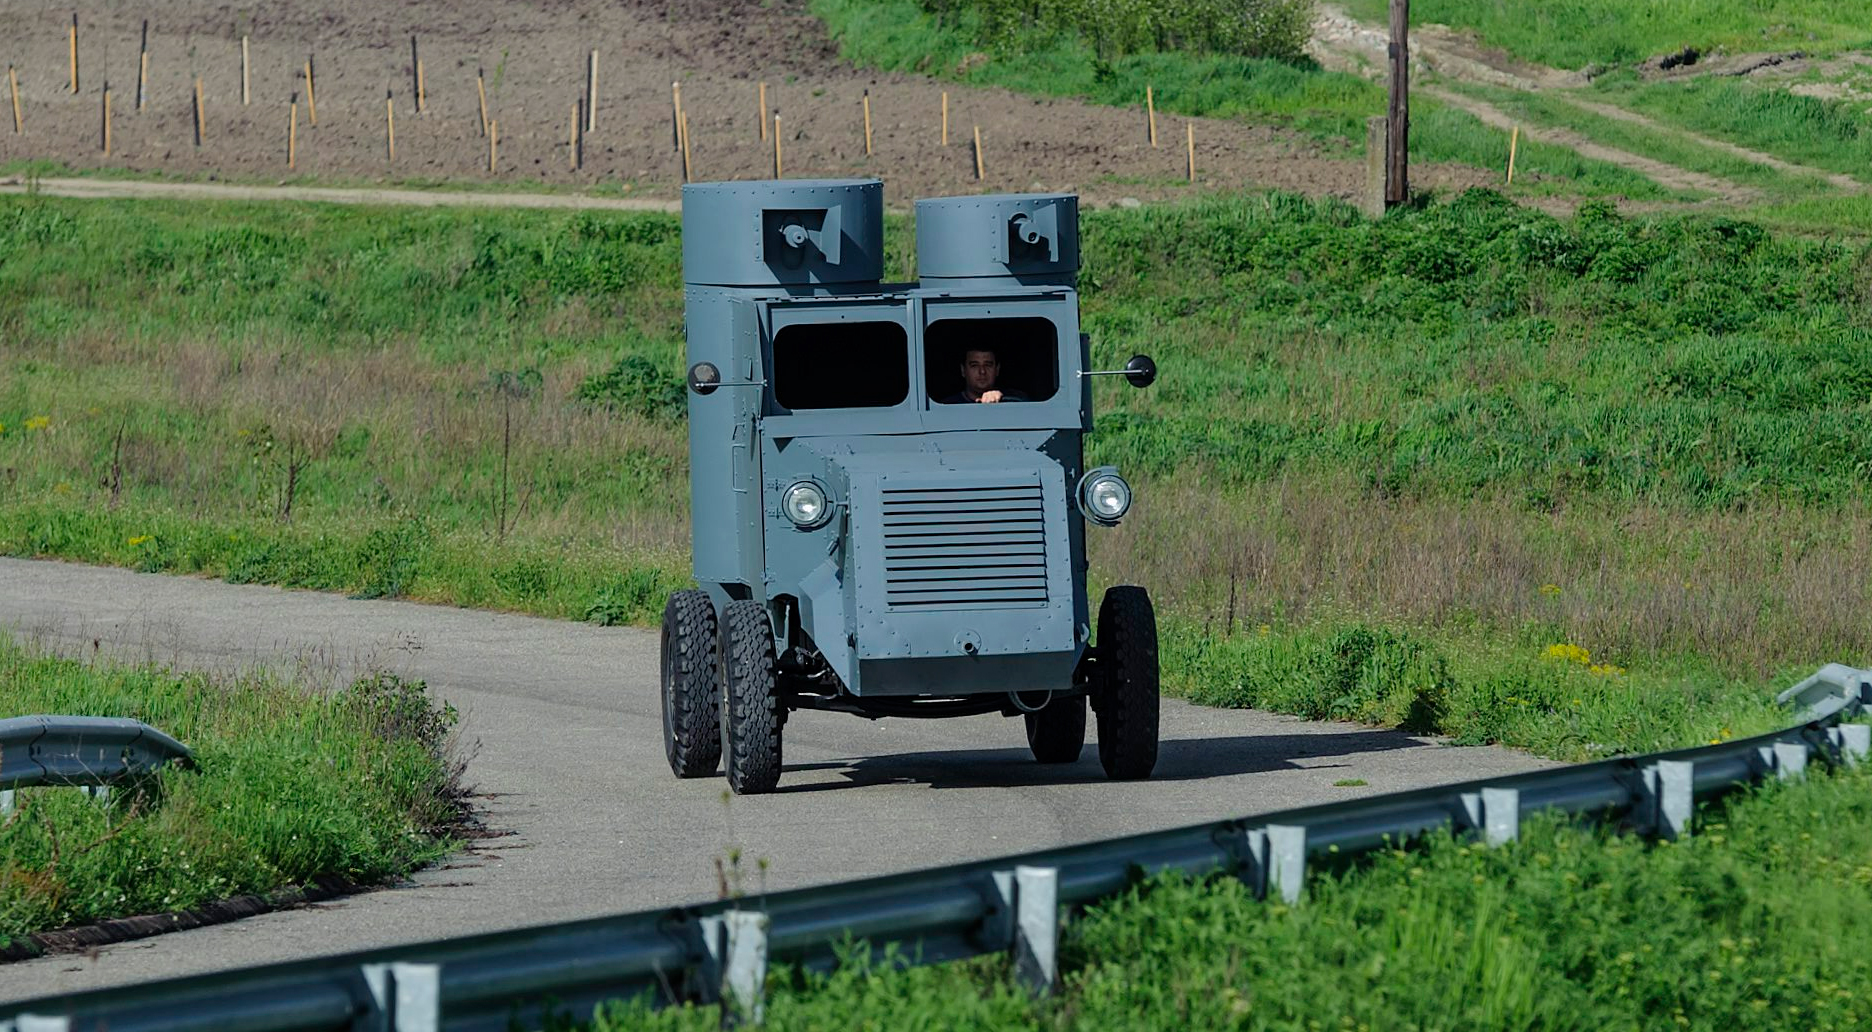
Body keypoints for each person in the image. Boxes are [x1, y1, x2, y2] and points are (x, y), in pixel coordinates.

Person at [940, 347, 1026, 404]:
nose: (982, 371)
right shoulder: (948, 405)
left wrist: (1001, 399)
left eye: (988, 365)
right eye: (974, 365)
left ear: (997, 370)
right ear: (963, 370)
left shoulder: (1016, 399)